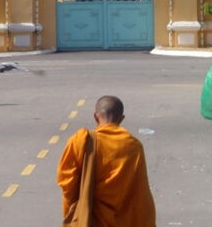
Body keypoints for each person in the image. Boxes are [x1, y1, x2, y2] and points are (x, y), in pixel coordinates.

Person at [57, 95, 156, 227]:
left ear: (95, 117)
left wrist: (72, 214)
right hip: (124, 221)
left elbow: (67, 184)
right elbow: (139, 191)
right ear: (121, 119)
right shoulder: (134, 146)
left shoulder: (81, 140)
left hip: (91, 219)